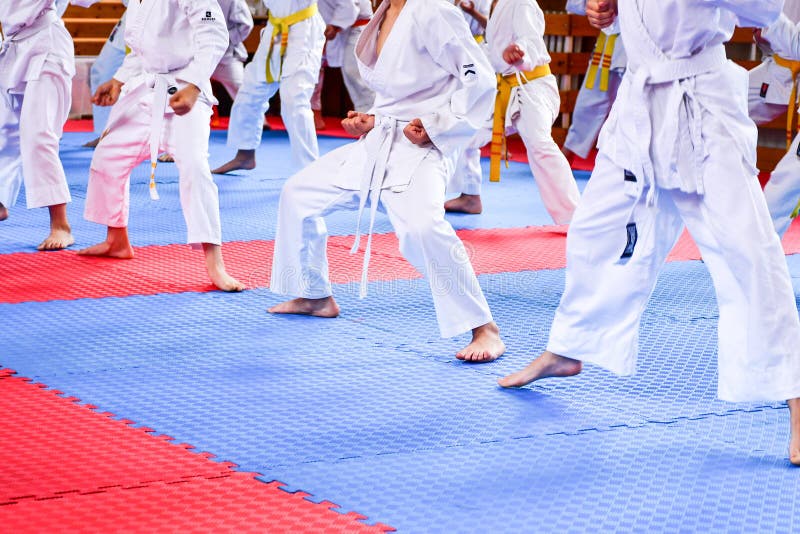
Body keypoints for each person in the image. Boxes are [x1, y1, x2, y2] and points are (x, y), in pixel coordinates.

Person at [498, 0, 800, 467]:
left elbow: (762, 10)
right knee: (593, 233)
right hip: (639, 107)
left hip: (702, 110)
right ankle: (570, 346)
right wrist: (602, 7)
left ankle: (796, 394)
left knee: (747, 253)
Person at [268, 0, 505, 362]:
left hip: (422, 145)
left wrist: (436, 125)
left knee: (423, 227)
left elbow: (482, 79)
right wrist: (370, 119)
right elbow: (398, 95)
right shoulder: (385, 13)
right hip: (381, 139)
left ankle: (484, 327)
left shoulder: (433, 11)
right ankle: (315, 294)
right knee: (298, 194)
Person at [77, 0, 244, 293]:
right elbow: (143, 51)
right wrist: (118, 80)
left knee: (194, 165)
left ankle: (215, 262)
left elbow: (214, 33)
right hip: (145, 88)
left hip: (185, 87)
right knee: (108, 156)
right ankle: (116, 240)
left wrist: (193, 84)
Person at [444, 0, 581, 225]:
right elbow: (494, 46)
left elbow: (531, 39)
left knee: (540, 146)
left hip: (531, 86)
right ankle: (469, 195)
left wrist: (521, 53)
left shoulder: (522, 3)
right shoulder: (496, 4)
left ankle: (575, 219)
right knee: (463, 132)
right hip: (503, 88)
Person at [0, 0, 100, 250]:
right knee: (4, 131)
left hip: (47, 46)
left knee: (38, 134)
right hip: (13, 47)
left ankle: (61, 225)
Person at [211, 0, 325, 175]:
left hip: (304, 30)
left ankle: (309, 170)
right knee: (249, 91)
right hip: (274, 29)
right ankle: (245, 154)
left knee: (294, 99)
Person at [753, 6, 800, 238]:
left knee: (788, 181)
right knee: (718, 109)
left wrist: (764, 13)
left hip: (791, 54)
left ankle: (758, 250)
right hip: (779, 67)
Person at [561, 0, 626, 163]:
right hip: (611, 40)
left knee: (632, 105)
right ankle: (569, 149)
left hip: (649, 45)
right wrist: (591, 5)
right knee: (591, 98)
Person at [83, 1, 128, 148]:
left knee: (170, 78)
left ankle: (178, 144)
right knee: (103, 71)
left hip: (169, 18)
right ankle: (106, 134)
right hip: (135, 14)